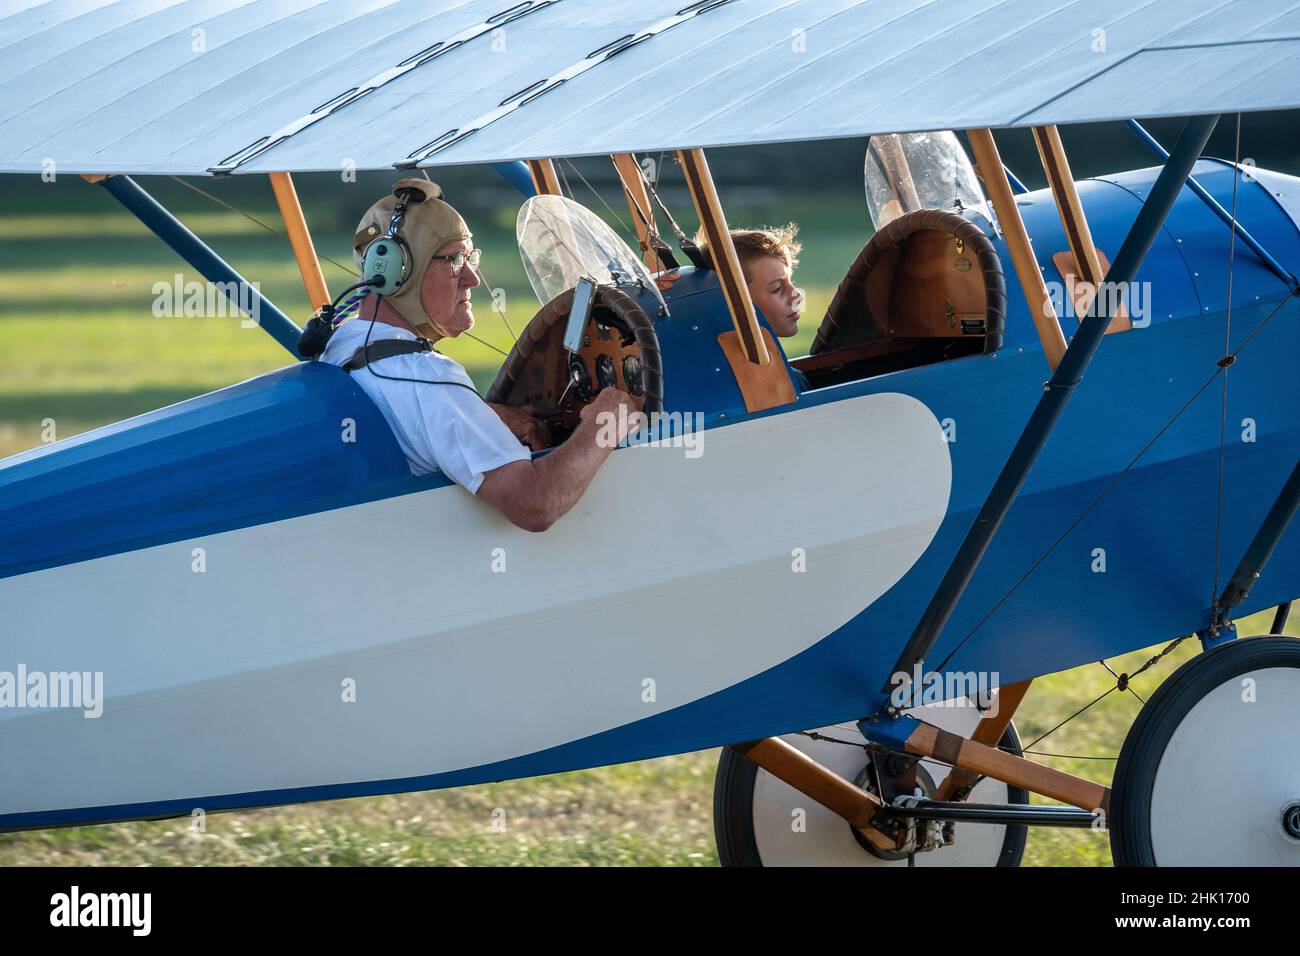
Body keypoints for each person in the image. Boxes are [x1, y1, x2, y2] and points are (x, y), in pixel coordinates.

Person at [320, 179, 631, 532]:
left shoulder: (345, 338)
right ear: (394, 273)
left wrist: (480, 414)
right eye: (453, 260)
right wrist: (606, 422)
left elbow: (413, 414)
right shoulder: (428, 381)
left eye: (470, 257)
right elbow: (535, 504)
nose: (473, 278)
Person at [694, 223, 809, 388]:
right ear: (733, 302)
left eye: (790, 281)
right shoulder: (786, 383)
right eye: (777, 288)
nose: (797, 295)